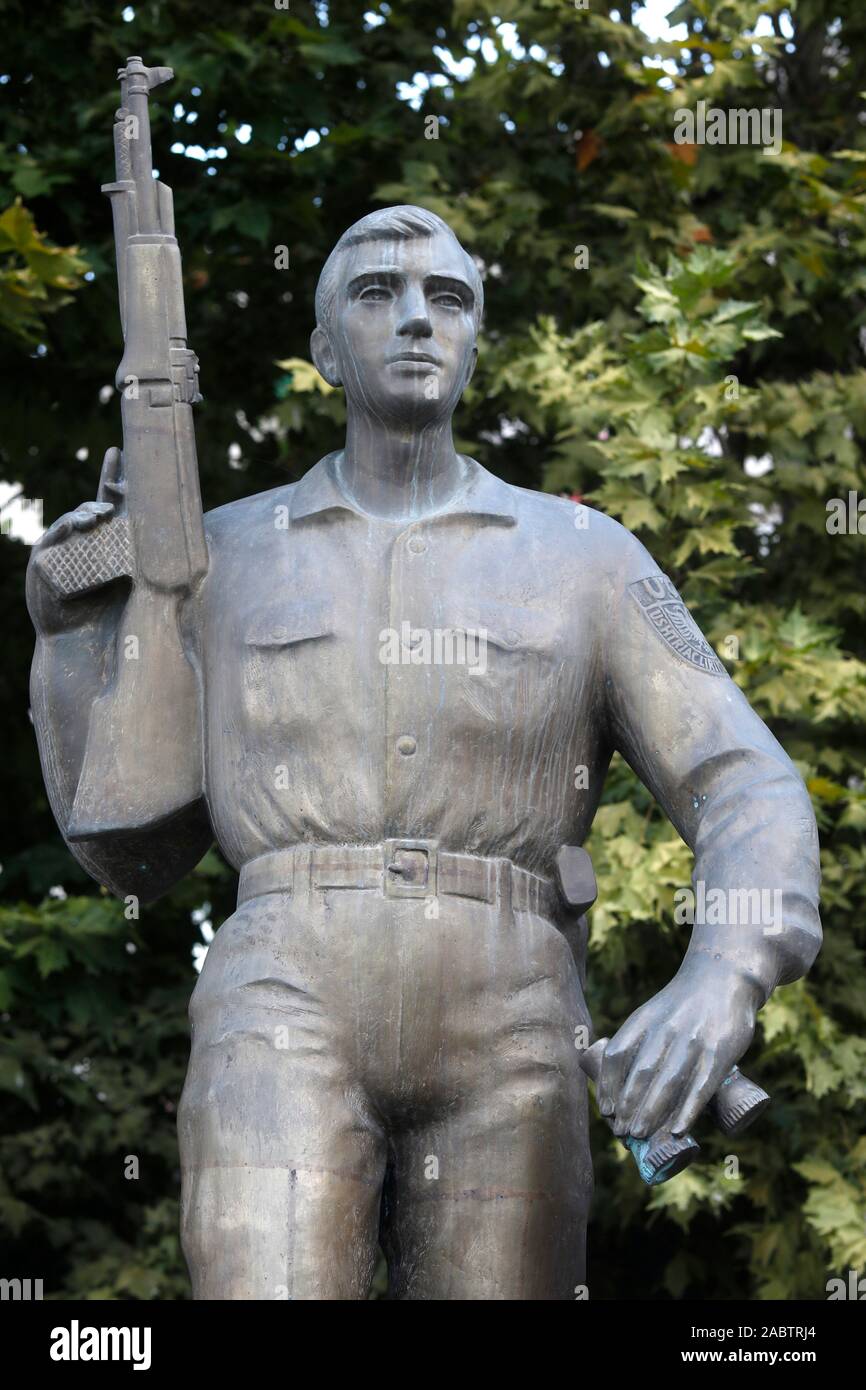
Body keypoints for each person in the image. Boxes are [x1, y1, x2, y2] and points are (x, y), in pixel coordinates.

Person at [27, 205, 821, 1299]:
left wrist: (723, 974)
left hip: (512, 1014)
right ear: (321, 349)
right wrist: (76, 638)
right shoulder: (214, 556)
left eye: (446, 299)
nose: (415, 320)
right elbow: (129, 852)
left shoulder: (583, 556)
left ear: (475, 340)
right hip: (282, 992)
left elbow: (744, 781)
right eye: (376, 294)